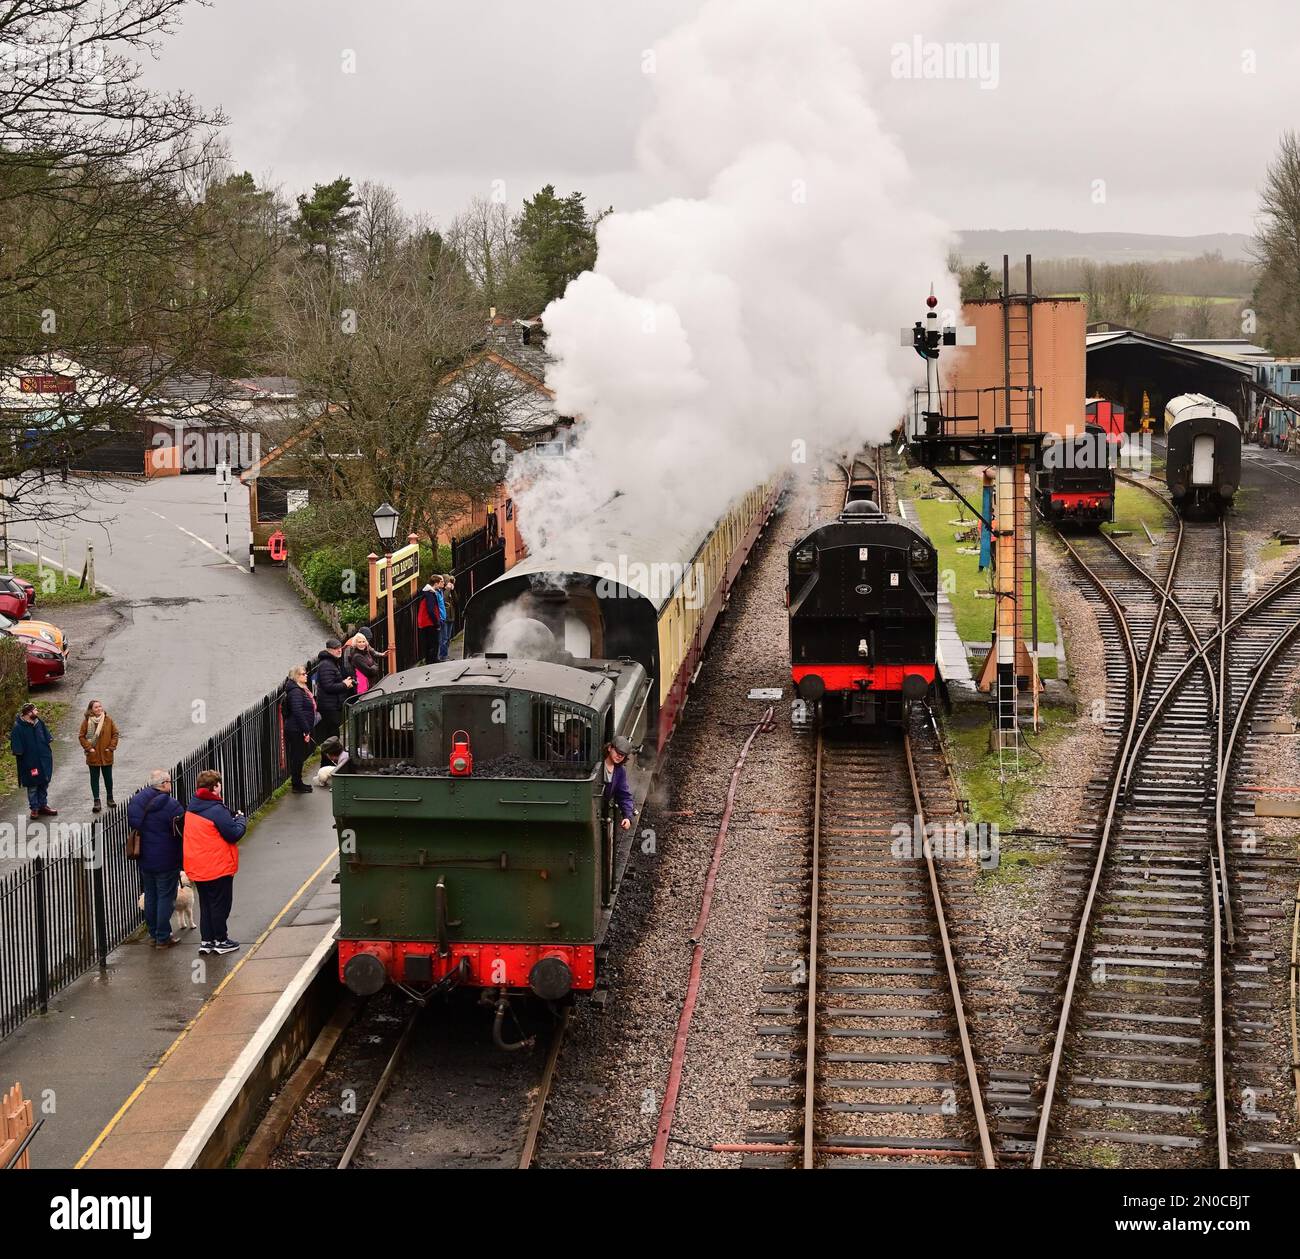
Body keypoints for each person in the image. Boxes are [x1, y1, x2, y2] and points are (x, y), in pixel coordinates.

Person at [183, 768, 246, 955]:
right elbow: (233, 834)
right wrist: (241, 820)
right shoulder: (216, 810)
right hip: (217, 865)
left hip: (198, 866)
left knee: (206, 904)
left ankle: (207, 940)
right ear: (215, 787)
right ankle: (221, 940)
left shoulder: (193, 807)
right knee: (220, 904)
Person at [128, 769, 186, 948]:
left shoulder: (136, 801)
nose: (170, 784)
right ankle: (163, 936)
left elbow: (134, 823)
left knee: (151, 895)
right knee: (166, 897)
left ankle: (153, 933)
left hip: (145, 856)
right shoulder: (172, 805)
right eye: (169, 781)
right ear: (163, 784)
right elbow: (180, 831)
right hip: (167, 858)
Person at [10, 702, 55, 820]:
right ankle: (34, 808)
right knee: (33, 785)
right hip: (30, 762)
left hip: (44, 759)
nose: (37, 712)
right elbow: (17, 749)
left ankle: (43, 805)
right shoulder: (18, 728)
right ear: (28, 713)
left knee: (44, 783)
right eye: (35, 710)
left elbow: (47, 737)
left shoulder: (39, 723)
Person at [77, 698, 120, 813]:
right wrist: (89, 748)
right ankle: (97, 801)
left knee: (108, 778)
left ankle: (110, 798)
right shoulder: (87, 721)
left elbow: (115, 734)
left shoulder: (108, 720)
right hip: (93, 755)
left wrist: (110, 748)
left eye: (100, 706)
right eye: (96, 707)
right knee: (94, 779)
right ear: (91, 709)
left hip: (106, 754)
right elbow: (81, 736)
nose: (99, 709)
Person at [282, 664, 317, 794]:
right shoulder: (296, 692)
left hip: (298, 728)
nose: (306, 675)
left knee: (299, 756)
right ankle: (296, 785)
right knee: (297, 757)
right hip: (295, 729)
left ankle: (298, 782)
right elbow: (297, 711)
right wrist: (306, 729)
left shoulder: (301, 689)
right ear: (296, 676)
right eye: (303, 674)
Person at [312, 638, 353, 744]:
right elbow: (328, 686)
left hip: (333, 705)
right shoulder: (326, 664)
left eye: (339, 647)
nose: (339, 650)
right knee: (332, 736)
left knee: (332, 735)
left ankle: (330, 758)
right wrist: (344, 684)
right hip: (329, 707)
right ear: (329, 650)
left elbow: (332, 682)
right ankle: (328, 760)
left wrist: (344, 683)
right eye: (336, 648)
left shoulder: (332, 662)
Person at [602, 735, 635, 832]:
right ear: (609, 748)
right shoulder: (597, 764)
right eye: (618, 752)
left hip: (603, 812)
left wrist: (627, 817)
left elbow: (624, 795)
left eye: (623, 754)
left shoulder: (620, 771)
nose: (619, 756)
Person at [344, 630, 382, 695]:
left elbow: (375, 664)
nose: (362, 644)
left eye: (363, 641)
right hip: (363, 686)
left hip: (370, 683)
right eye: (359, 642)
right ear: (355, 643)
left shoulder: (365, 652)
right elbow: (369, 672)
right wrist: (375, 668)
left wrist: (374, 667)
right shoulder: (357, 656)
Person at [416, 576, 443, 665]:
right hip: (429, 623)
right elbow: (431, 610)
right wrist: (436, 623)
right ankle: (432, 661)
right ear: (435, 583)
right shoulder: (430, 595)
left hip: (425, 623)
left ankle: (430, 661)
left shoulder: (426, 593)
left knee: (428, 644)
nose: (441, 585)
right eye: (439, 582)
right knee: (433, 643)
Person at [438, 576, 455, 661]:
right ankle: (442, 656)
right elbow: (444, 599)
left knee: (448, 638)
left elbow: (456, 600)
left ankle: (446, 654)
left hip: (451, 617)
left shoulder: (449, 591)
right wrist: (448, 589)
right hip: (445, 618)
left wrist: (453, 590)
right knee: (443, 638)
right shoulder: (442, 591)